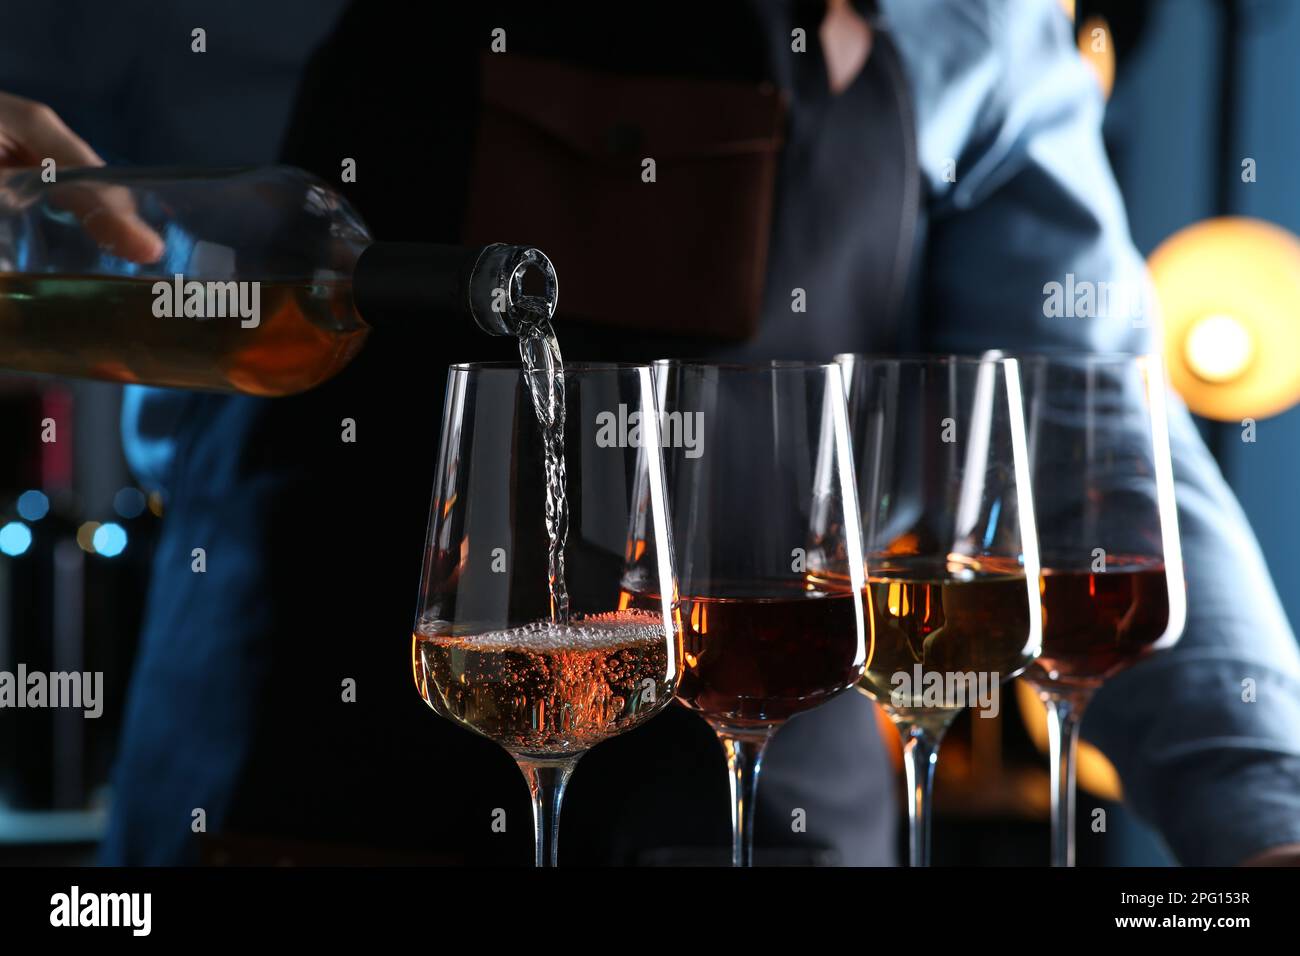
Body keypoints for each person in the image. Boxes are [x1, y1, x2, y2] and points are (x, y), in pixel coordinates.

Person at [2, 0, 1297, 866]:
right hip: (291, 791)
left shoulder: (975, 22)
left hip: (781, 812)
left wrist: (1263, 817)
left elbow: (1089, 435)